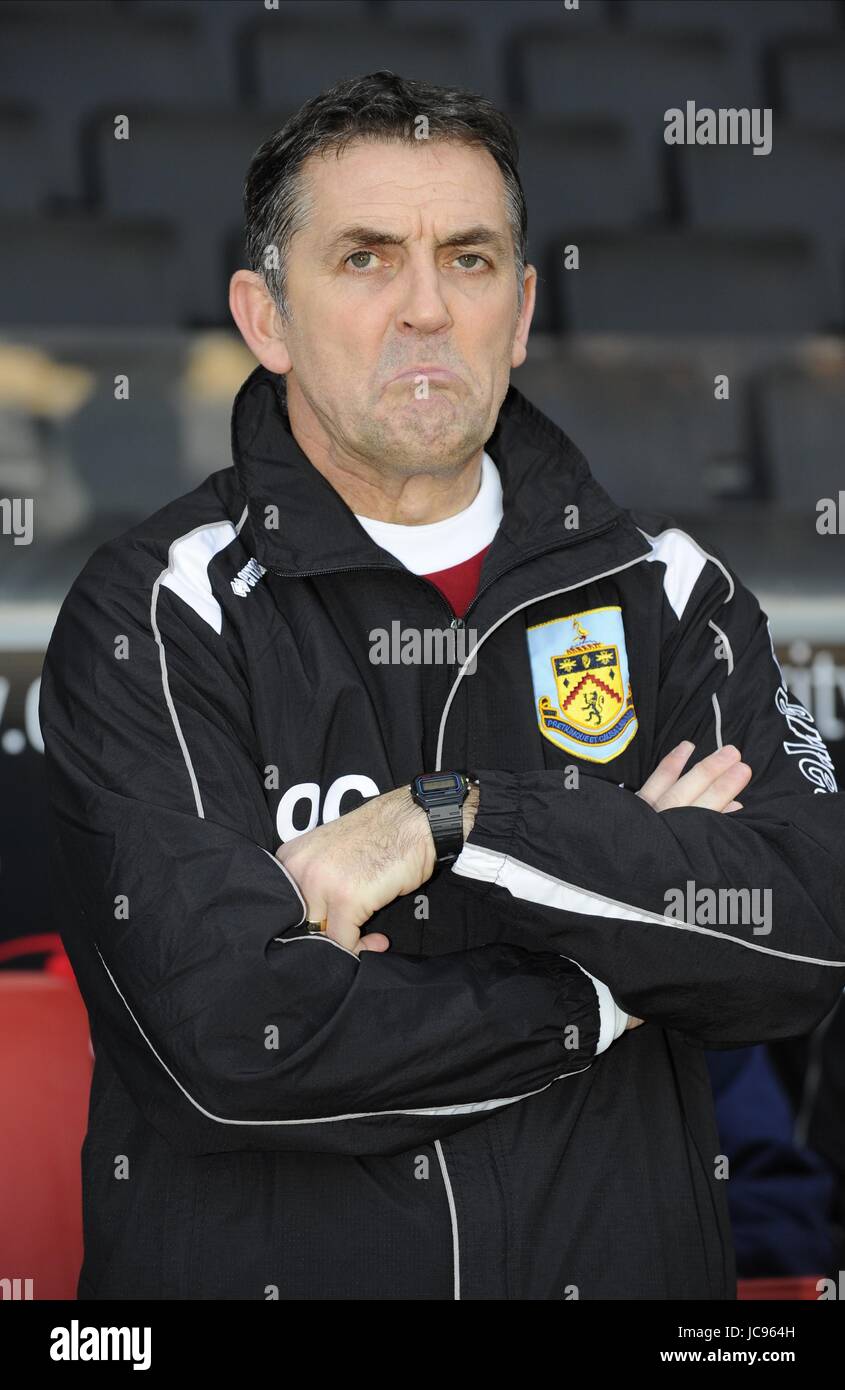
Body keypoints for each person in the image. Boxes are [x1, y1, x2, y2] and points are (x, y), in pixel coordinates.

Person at [39, 72, 845, 1300]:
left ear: (519, 312)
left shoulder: (669, 592)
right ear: (264, 317)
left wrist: (456, 821)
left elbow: (810, 933)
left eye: (467, 261)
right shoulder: (156, 611)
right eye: (364, 259)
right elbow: (233, 1045)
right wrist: (609, 976)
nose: (424, 308)